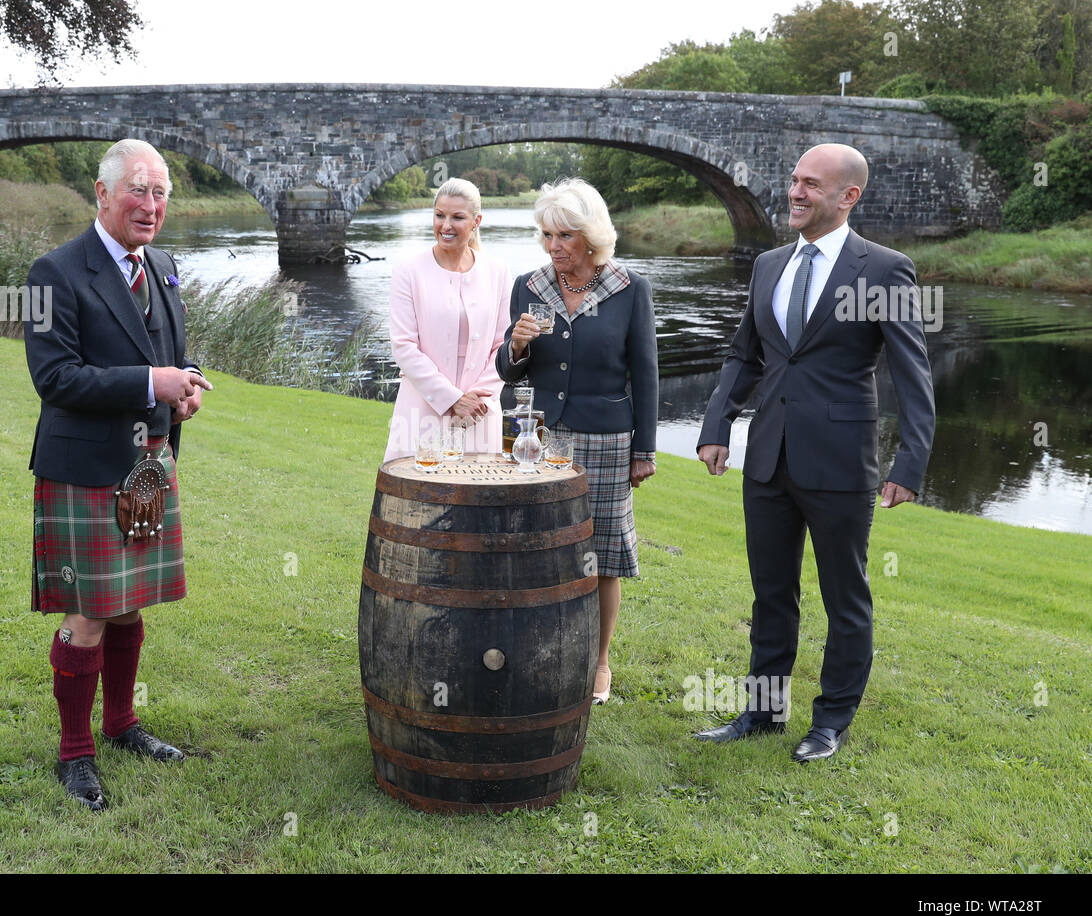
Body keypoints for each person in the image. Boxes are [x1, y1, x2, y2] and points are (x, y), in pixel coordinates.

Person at [694, 143, 935, 763]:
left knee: (844, 597)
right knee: (771, 593)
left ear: (848, 196)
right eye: (794, 181)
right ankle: (763, 711)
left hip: (840, 462)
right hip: (767, 456)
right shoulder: (769, 264)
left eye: (811, 185)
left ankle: (829, 722)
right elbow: (744, 355)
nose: (795, 193)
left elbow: (913, 374)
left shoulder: (885, 270)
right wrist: (717, 423)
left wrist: (910, 462)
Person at [24, 138, 213, 810]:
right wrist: (149, 382)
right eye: (139, 189)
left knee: (129, 601)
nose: (152, 204)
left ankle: (122, 723)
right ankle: (75, 754)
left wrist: (184, 387)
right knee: (89, 611)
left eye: (161, 192)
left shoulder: (161, 266)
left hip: (147, 465)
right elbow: (54, 377)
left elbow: (169, 359)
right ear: (101, 194)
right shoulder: (55, 272)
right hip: (86, 467)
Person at [498, 177, 659, 705]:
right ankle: (536, 650)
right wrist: (517, 346)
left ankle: (599, 661)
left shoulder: (629, 288)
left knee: (604, 554)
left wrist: (644, 450)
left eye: (564, 235)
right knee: (535, 545)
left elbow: (647, 373)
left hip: (606, 439)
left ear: (591, 237)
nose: (554, 246)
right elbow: (507, 370)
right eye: (547, 234)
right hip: (536, 436)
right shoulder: (529, 284)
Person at [384, 177, 512, 461]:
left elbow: (503, 345)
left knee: (482, 497)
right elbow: (404, 346)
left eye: (457, 217)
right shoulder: (409, 270)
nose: (445, 226)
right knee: (420, 494)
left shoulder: (497, 271)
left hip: (480, 413)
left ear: (476, 221)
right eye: (439, 215)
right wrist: (453, 399)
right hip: (422, 410)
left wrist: (475, 399)